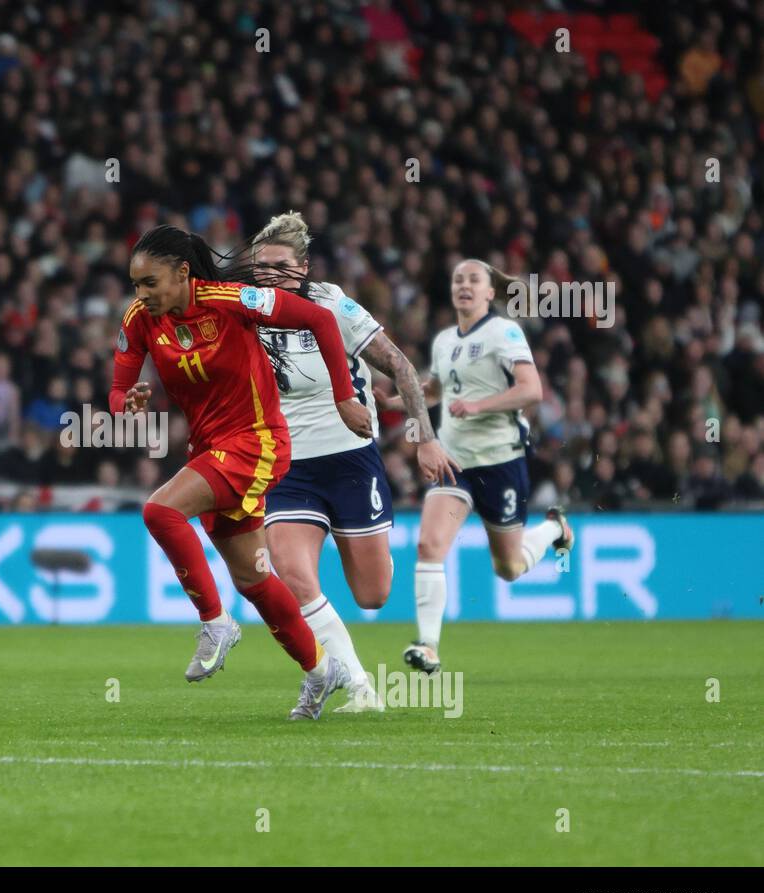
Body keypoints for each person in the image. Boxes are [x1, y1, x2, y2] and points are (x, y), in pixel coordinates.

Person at [109, 225, 372, 720]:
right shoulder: (142, 319)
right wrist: (128, 402)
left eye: (149, 283)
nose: (140, 295)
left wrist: (344, 397)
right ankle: (321, 671)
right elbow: (119, 386)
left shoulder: (232, 300)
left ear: (183, 272)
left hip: (258, 441)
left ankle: (215, 622)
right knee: (254, 579)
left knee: (159, 511)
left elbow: (318, 319)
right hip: (211, 450)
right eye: (135, 285)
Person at [250, 211, 459, 711]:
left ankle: (370, 554)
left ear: (303, 268)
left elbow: (402, 367)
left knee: (372, 595)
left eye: (281, 267)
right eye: (261, 268)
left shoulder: (334, 305)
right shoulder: (247, 311)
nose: (270, 277)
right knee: (292, 573)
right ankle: (352, 681)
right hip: (287, 467)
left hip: (350, 461)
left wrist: (424, 438)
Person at [380, 259, 573, 674]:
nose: (464, 286)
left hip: (501, 461)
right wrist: (391, 403)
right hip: (455, 461)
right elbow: (434, 390)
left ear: (489, 292)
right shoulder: (445, 340)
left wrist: (479, 406)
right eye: (458, 280)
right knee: (429, 545)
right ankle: (428, 645)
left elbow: (531, 389)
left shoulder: (504, 332)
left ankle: (555, 528)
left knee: (509, 568)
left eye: (474, 280)